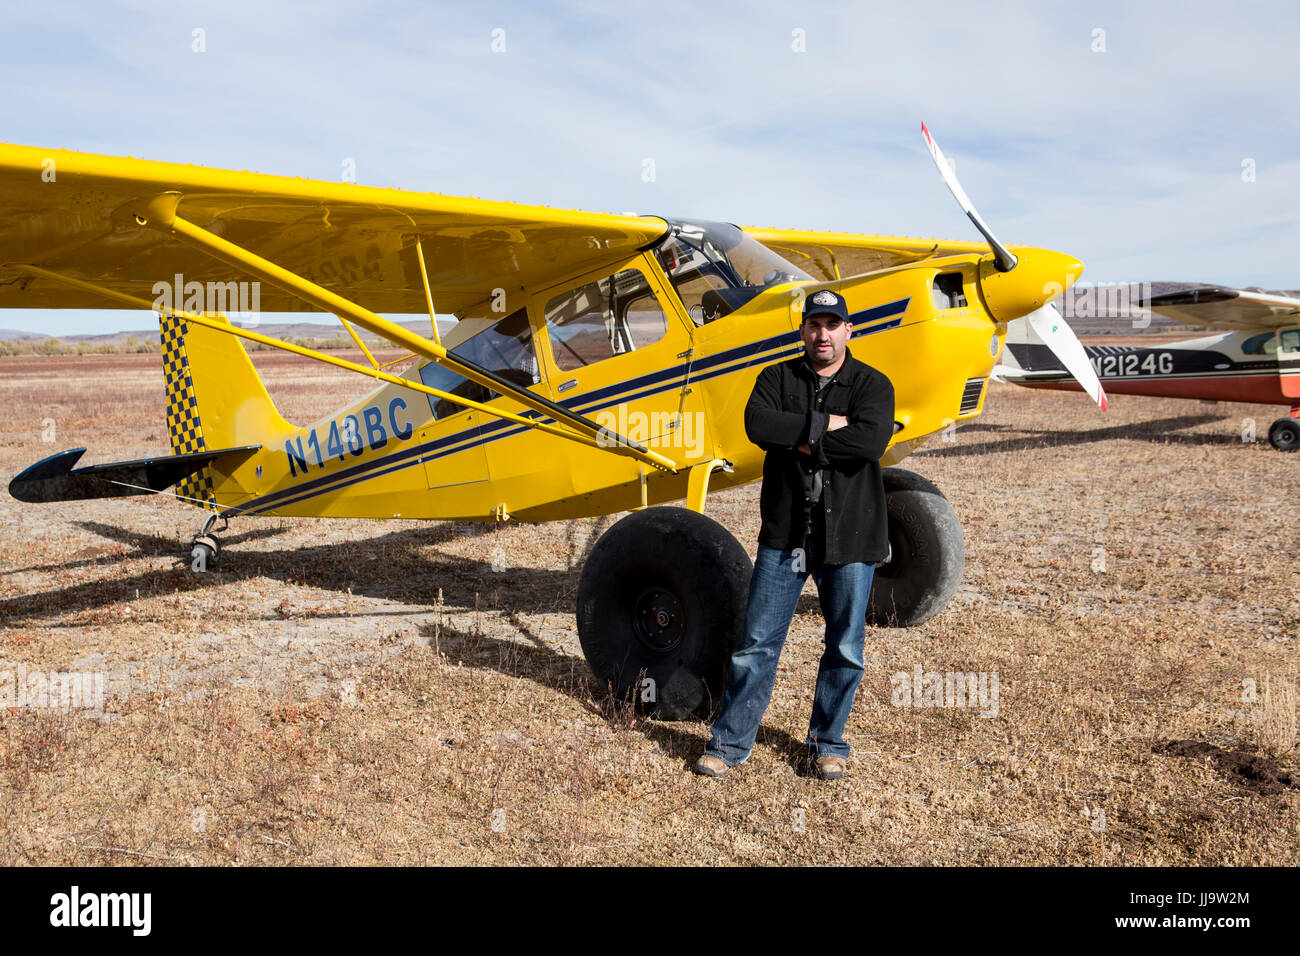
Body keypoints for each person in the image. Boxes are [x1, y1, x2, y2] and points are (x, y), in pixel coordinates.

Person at [693, 288, 895, 781]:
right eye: (814, 324)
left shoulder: (873, 384)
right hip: (786, 536)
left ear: (850, 329)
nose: (822, 333)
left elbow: (871, 439)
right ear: (802, 330)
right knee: (756, 643)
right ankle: (730, 742)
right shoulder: (774, 377)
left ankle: (829, 742)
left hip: (849, 537)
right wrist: (828, 426)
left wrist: (800, 438)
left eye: (832, 324)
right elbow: (758, 424)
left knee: (846, 646)